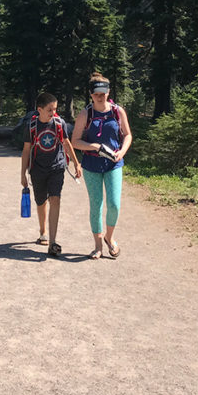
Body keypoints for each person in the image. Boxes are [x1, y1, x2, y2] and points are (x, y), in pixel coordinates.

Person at [71, 74, 132, 259]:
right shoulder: (85, 114)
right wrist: (94, 146)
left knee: (114, 204)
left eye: (103, 93)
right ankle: (98, 246)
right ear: (91, 94)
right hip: (91, 165)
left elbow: (127, 135)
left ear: (108, 92)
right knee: (96, 204)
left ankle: (109, 237)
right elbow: (75, 141)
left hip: (114, 164)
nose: (100, 97)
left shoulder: (118, 112)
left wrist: (122, 151)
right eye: (96, 93)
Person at [21, 91, 81, 258]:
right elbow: (26, 151)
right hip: (37, 169)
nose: (53, 113)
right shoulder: (31, 126)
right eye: (50, 110)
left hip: (57, 167)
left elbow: (66, 143)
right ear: (39, 110)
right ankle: (43, 232)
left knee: (55, 198)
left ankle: (53, 243)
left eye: (55, 109)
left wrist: (76, 163)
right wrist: (22, 174)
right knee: (41, 201)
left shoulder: (59, 123)